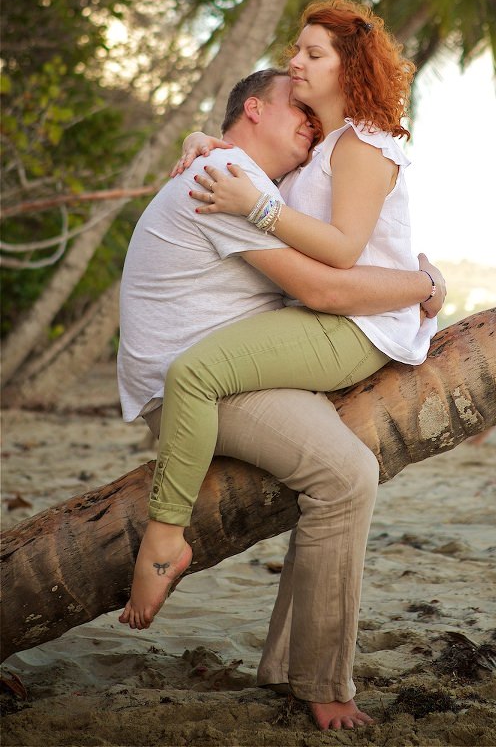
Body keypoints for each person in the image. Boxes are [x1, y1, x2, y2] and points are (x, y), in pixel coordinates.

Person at [117, 54, 442, 727]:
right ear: (254, 110)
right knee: (347, 474)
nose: (311, 123)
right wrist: (423, 287)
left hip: (227, 371)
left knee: (345, 465)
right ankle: (320, 683)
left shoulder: (244, 181)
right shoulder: (224, 181)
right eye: (296, 107)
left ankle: (288, 659)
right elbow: (326, 289)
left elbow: (335, 253)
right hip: (194, 388)